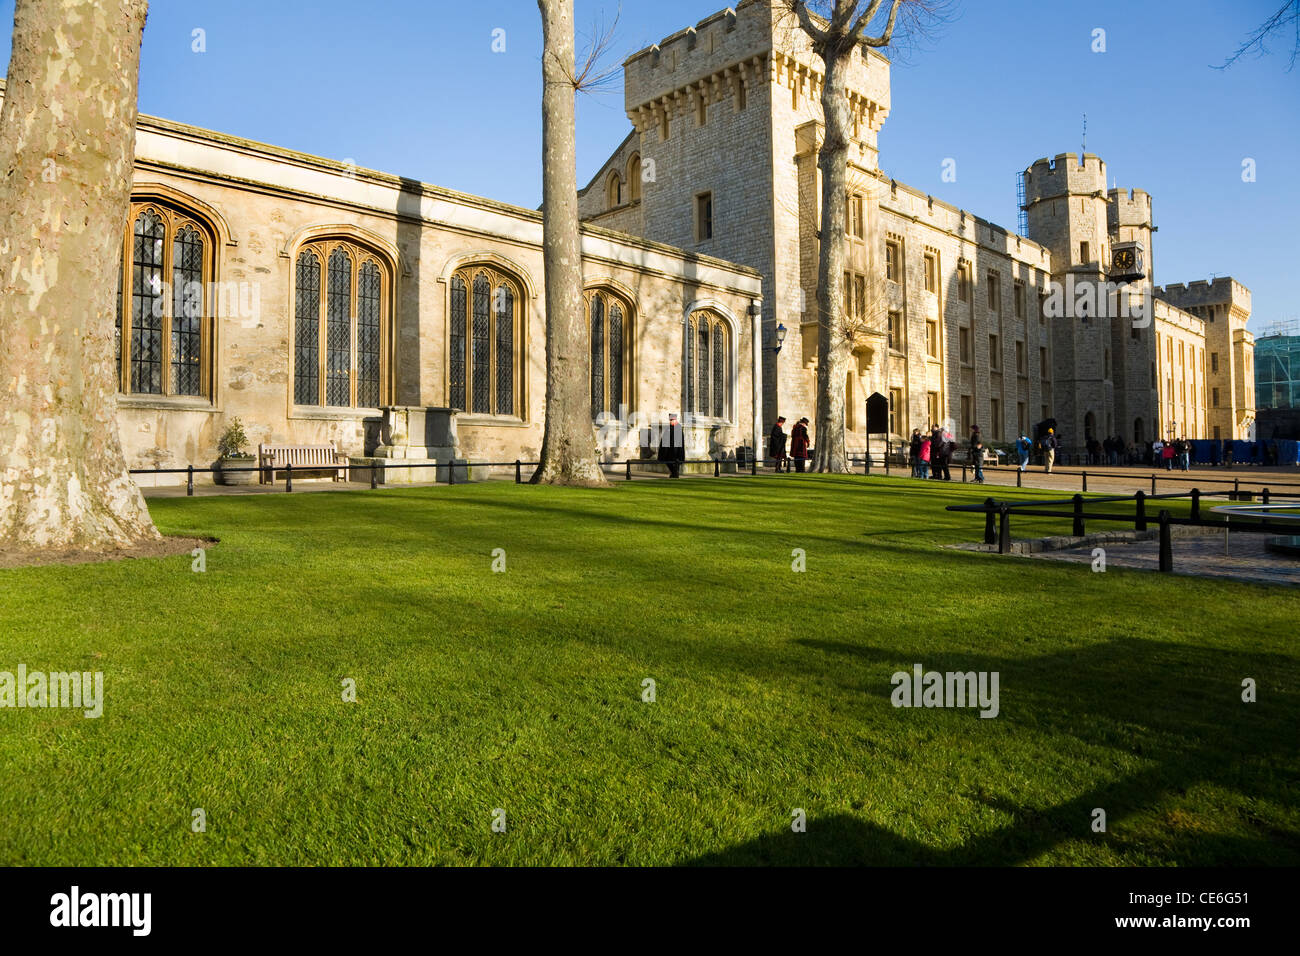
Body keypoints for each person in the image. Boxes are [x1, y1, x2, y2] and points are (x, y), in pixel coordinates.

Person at [657, 413, 684, 478]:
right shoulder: (669, 427)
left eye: (672, 420)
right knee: (667, 461)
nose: (671, 421)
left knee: (675, 462)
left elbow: (678, 440)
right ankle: (674, 473)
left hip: (676, 450)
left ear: (675, 420)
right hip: (669, 449)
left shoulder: (678, 427)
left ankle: (675, 474)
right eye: (670, 420)